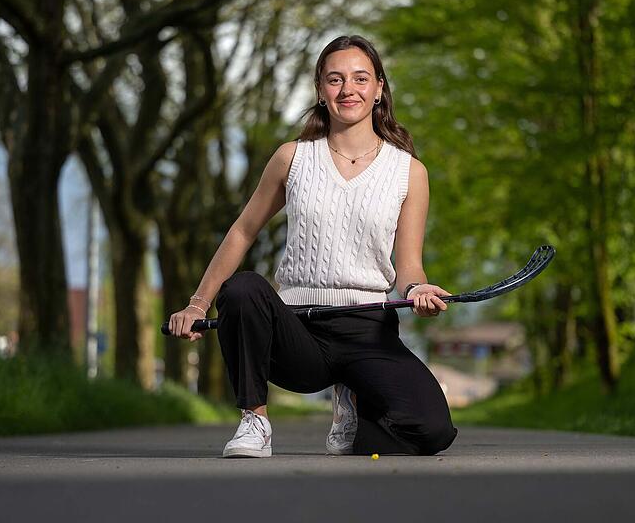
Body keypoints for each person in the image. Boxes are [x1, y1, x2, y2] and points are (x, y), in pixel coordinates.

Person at [167, 34, 457, 458]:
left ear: (379, 89)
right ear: (321, 91)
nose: (348, 89)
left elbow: (409, 264)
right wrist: (196, 305)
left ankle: (354, 403)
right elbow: (243, 232)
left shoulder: (409, 172)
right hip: (296, 328)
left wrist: (417, 291)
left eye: (361, 78)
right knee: (244, 288)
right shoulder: (292, 158)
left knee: (431, 431)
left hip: (367, 331)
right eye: (335, 79)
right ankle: (254, 421)